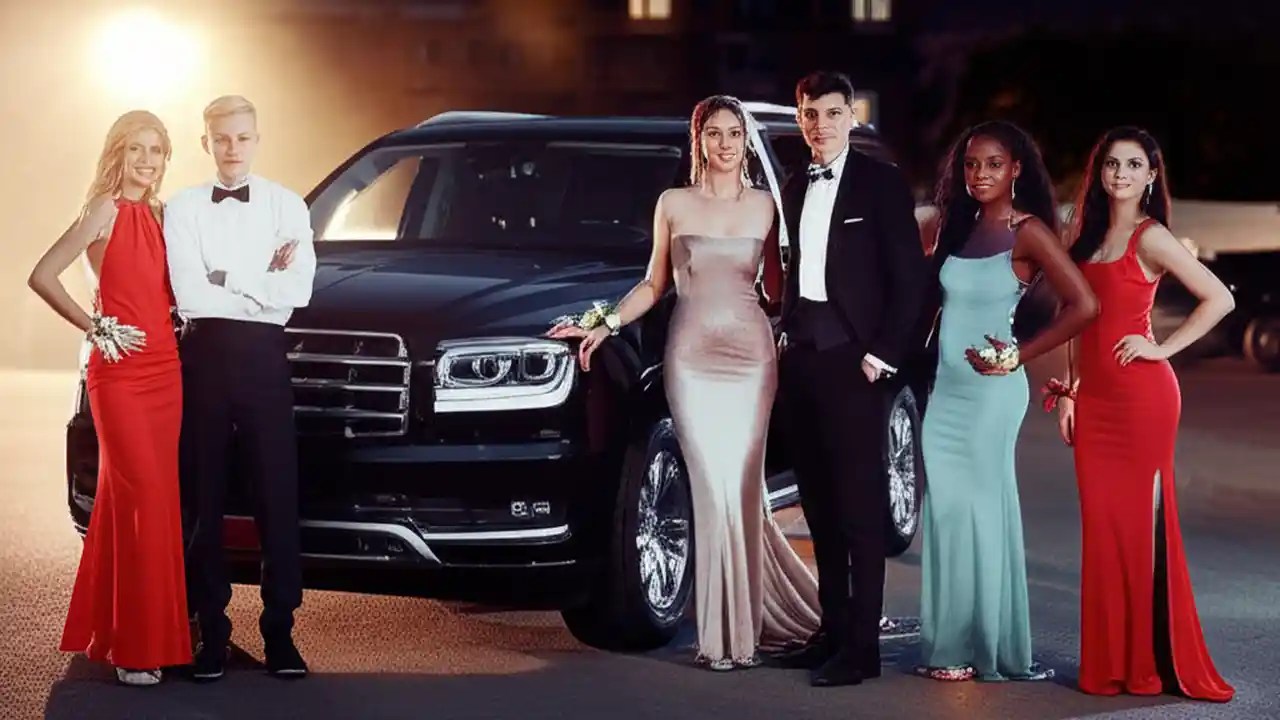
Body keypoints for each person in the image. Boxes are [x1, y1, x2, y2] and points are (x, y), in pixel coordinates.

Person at [548, 95, 821, 671]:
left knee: (741, 492)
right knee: (709, 489)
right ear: (698, 141)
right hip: (691, 357)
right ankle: (718, 638)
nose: (724, 143)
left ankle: (739, 637)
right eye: (714, 133)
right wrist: (604, 323)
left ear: (744, 141)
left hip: (751, 357)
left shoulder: (766, 207)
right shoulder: (672, 204)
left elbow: (777, 293)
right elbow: (653, 284)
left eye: (733, 133)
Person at [1054, 126, 1235, 702]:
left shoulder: (1151, 237)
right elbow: (1075, 317)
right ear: (1099, 173)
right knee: (1102, 533)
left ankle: (1145, 664)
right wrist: (1070, 392)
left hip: (1143, 400)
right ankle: (1108, 665)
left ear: (1152, 176)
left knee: (1137, 532)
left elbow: (1220, 298)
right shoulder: (1080, 236)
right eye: (1112, 164)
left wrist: (1162, 347)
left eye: (1134, 165)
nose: (1121, 174)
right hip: (1096, 401)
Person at [915, 121, 1098, 682]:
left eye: (993, 164)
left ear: (1016, 169)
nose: (980, 174)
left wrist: (1020, 355)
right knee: (947, 513)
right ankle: (950, 644)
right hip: (945, 393)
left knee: (981, 510)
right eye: (971, 164)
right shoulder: (953, 228)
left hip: (994, 394)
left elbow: (1084, 305)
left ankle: (986, 647)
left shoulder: (1029, 232)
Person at [765, 71, 930, 687]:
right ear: (800, 114)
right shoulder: (793, 183)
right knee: (820, 506)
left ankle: (862, 650)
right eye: (810, 114)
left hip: (857, 364)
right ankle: (832, 631)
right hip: (803, 360)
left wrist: (882, 356)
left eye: (833, 113)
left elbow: (910, 281)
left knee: (861, 512)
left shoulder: (881, 184)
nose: (821, 125)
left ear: (851, 115)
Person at [29, 110, 191, 686]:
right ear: (117, 153)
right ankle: (135, 646)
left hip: (165, 372)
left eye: (156, 152)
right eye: (136, 150)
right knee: (141, 497)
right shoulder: (103, 209)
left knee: (145, 503)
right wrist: (94, 326)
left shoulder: (165, 215)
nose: (147, 162)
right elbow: (44, 274)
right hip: (118, 375)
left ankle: (133, 631)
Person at [166, 95, 316, 681]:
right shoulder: (181, 207)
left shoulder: (287, 204)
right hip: (202, 355)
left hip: (263, 359)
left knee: (277, 498)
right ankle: (210, 634)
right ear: (206, 143)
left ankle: (281, 633)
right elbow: (190, 295)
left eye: (243, 138)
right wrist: (260, 281)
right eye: (222, 138)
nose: (232, 149)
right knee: (202, 500)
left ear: (257, 138)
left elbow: (298, 290)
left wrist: (224, 273)